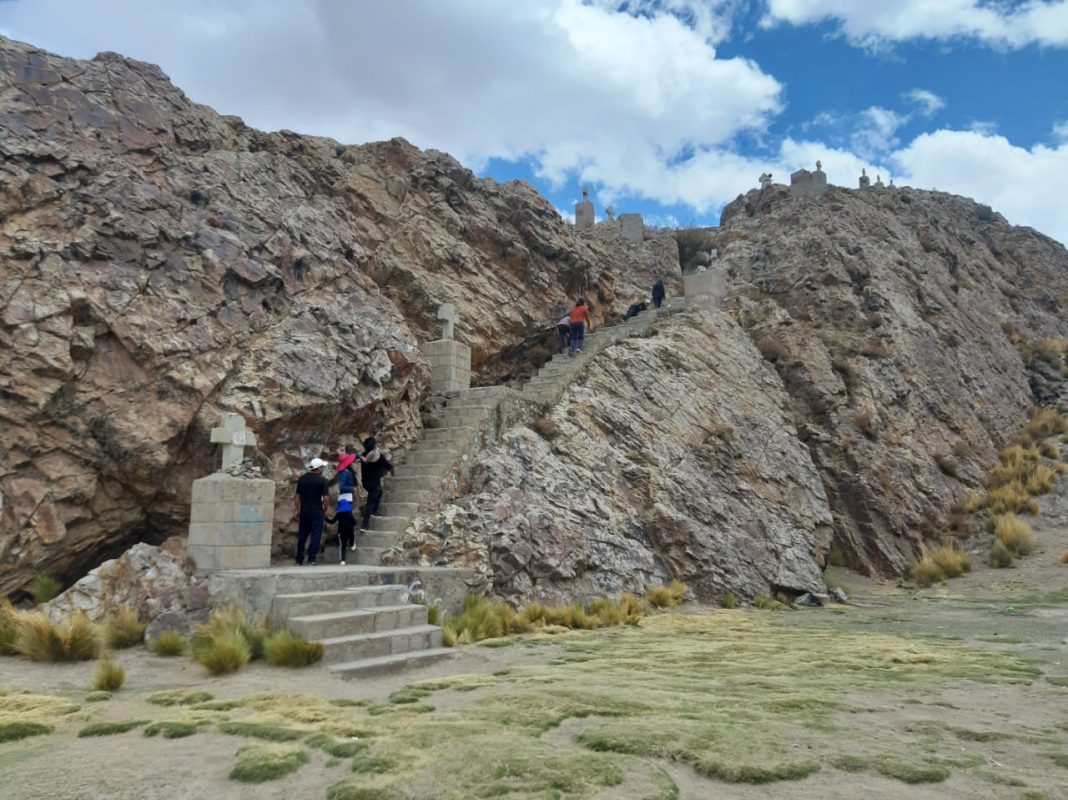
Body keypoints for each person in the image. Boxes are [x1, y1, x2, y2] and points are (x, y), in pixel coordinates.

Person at [293, 457, 329, 566]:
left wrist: (296, 509)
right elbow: (326, 498)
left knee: (302, 535)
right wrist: (325, 509)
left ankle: (299, 559)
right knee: (316, 535)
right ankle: (311, 559)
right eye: (322, 467)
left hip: (304, 511)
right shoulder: (323, 481)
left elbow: (297, 496)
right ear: (318, 469)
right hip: (317, 511)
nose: (323, 469)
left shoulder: (302, 479)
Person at [359, 436, 394, 530]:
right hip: (374, 483)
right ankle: (365, 525)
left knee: (379, 492)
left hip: (366, 482)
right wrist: (393, 471)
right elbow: (388, 466)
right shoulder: (378, 456)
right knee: (370, 502)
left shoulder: (364, 456)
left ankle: (374, 511)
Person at [334, 451, 360, 565]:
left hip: (342, 498)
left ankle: (347, 543)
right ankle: (351, 542)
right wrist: (352, 489)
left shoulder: (341, 471)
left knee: (344, 522)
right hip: (346, 498)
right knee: (349, 522)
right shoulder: (346, 472)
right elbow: (342, 486)